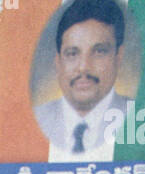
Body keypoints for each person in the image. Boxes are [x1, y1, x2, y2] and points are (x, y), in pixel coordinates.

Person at [34, 0, 133, 162]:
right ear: (58, 62)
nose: (84, 67)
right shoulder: (39, 118)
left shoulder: (138, 116)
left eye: (99, 51)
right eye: (72, 54)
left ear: (118, 57)